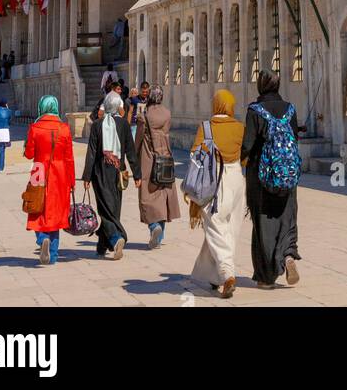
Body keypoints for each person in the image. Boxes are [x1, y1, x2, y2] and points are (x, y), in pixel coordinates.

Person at [242, 70, 302, 289]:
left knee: (264, 224)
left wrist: (238, 160)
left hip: (262, 177)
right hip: (287, 175)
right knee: (287, 218)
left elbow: (248, 145)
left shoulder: (255, 110)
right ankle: (288, 255)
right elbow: (294, 138)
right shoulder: (290, 108)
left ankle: (266, 277)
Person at [187, 89, 247, 299]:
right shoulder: (240, 128)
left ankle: (226, 273)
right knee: (229, 228)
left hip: (214, 182)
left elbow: (195, 154)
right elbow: (245, 156)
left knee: (215, 226)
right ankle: (213, 276)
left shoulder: (206, 127)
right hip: (237, 180)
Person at [83, 91, 140, 259]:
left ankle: (116, 238)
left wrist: (87, 177)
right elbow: (130, 151)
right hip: (118, 173)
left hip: (100, 173)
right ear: (118, 106)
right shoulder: (123, 125)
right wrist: (137, 174)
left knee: (105, 210)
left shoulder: (97, 125)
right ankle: (102, 246)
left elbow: (92, 153)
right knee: (112, 208)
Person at [23, 95, 76, 264]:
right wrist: (72, 181)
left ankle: (41, 237)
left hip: (39, 169)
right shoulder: (65, 129)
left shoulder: (35, 128)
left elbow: (30, 154)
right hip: (60, 172)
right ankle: (52, 254)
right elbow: (69, 158)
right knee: (56, 211)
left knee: (37, 205)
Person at [134, 86, 180, 249]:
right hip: (165, 156)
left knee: (148, 196)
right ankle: (159, 239)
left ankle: (154, 227)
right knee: (162, 197)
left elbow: (138, 140)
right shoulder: (167, 113)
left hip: (149, 158)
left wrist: (133, 156)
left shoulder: (144, 116)